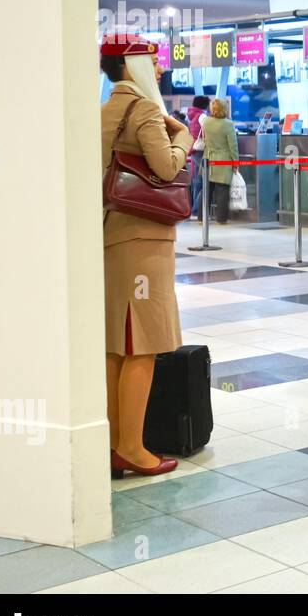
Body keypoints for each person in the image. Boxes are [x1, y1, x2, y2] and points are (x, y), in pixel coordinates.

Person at [100, 33, 192, 478]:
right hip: (144, 240)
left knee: (116, 345)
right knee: (144, 345)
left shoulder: (103, 111)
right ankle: (133, 449)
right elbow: (167, 167)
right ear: (132, 65)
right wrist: (185, 136)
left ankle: (115, 444)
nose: (159, 70)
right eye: (153, 62)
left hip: (111, 236)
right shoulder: (145, 110)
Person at [201, 98, 238, 223]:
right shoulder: (228, 124)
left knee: (206, 189)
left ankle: (202, 217)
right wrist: (235, 161)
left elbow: (204, 139)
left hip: (207, 157)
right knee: (222, 190)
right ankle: (221, 219)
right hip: (223, 160)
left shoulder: (206, 121)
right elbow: (233, 146)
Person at [187, 94, 209, 219]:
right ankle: (196, 210)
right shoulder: (202, 116)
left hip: (194, 149)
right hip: (200, 150)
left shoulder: (193, 115)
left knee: (196, 180)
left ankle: (193, 209)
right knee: (201, 181)